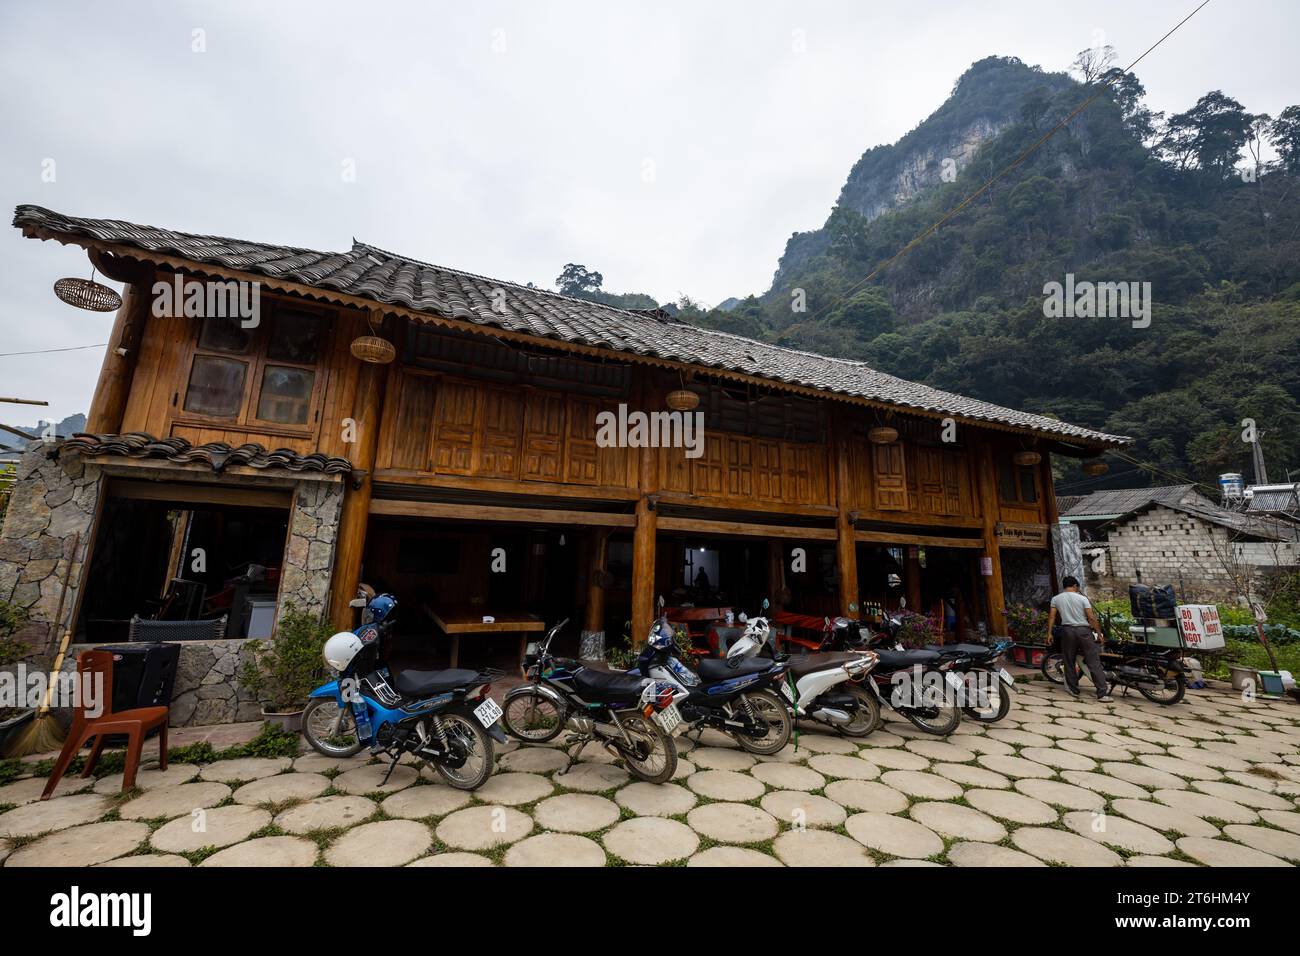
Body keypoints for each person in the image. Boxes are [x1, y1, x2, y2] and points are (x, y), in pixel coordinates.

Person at [1046, 576, 1113, 702]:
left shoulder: (1056, 599)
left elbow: (1052, 617)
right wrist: (1099, 634)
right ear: (1075, 585)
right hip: (1084, 631)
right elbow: (1091, 618)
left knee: (1069, 661)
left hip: (1067, 631)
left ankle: (1074, 690)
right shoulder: (1082, 598)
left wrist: (1049, 634)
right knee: (1093, 662)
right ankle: (1102, 694)